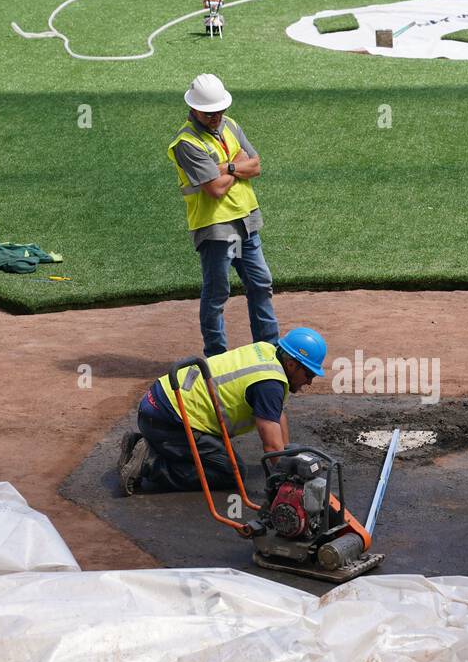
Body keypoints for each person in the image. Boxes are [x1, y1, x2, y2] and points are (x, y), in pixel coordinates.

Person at [117, 328, 327, 495]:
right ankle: (149, 463)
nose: (309, 381)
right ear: (291, 364)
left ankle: (142, 445)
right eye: (308, 374)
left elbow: (277, 415)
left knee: (217, 455)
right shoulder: (269, 384)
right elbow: (271, 445)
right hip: (168, 421)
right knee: (230, 473)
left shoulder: (268, 352)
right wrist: (287, 479)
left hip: (158, 405)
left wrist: (289, 455)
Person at [169, 73, 279, 357]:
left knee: (261, 284)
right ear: (194, 109)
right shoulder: (186, 142)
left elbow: (255, 166)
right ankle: (216, 357)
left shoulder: (231, 125)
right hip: (215, 227)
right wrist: (235, 164)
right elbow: (215, 189)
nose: (216, 116)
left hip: (247, 220)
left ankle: (268, 351)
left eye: (219, 110)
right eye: (209, 112)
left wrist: (225, 167)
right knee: (218, 294)